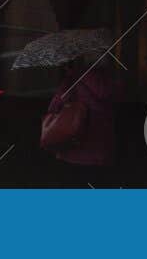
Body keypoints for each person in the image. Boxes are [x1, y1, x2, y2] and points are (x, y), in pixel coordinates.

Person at [42, 56, 119, 185]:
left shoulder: (70, 81)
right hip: (98, 151)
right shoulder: (107, 82)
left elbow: (54, 107)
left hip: (71, 150)